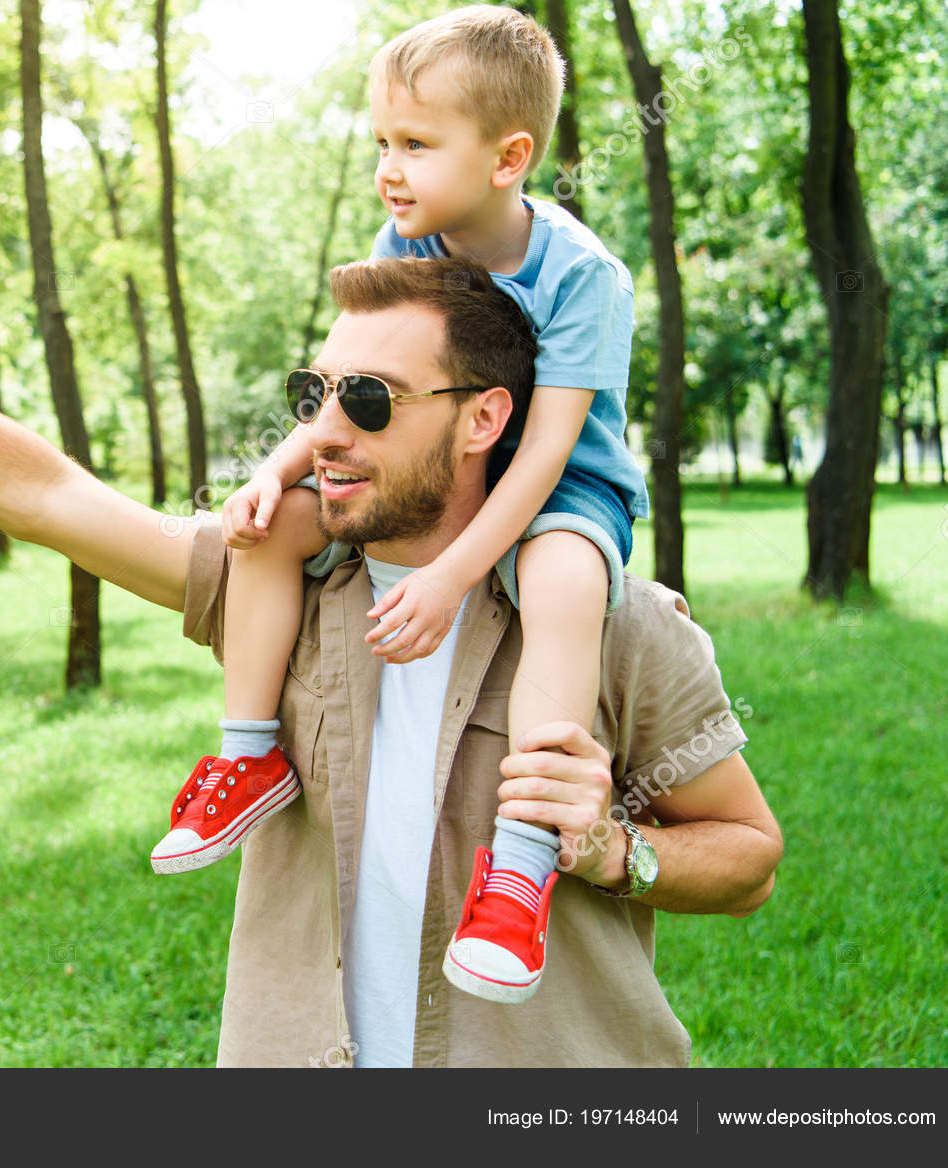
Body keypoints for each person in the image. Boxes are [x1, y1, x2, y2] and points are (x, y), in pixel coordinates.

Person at [0, 150, 783, 1067]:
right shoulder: (285, 587)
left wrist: (610, 848)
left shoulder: (612, 620)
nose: (325, 432)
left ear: (482, 420)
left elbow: (747, 857)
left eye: (368, 401)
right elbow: (45, 493)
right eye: (311, 393)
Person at [153, 6, 645, 1010]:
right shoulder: (405, 239)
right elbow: (353, 389)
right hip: (431, 473)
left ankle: (516, 869)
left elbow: (545, 448)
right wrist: (273, 470)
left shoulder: (581, 277)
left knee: (557, 584)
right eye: (382, 141)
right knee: (272, 531)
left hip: (559, 491)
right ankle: (249, 756)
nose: (390, 166)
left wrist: (453, 573)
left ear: (509, 156)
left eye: (416, 144)